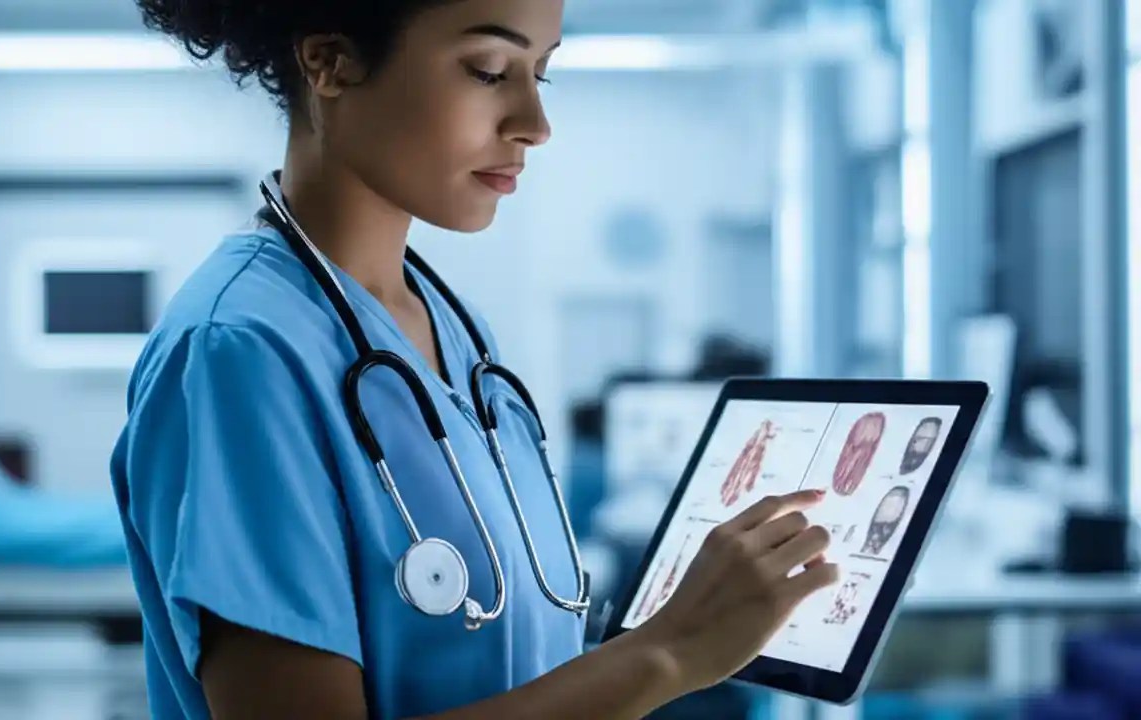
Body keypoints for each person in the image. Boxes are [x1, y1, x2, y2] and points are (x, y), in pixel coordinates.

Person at [110, 1, 840, 718]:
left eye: (541, 75)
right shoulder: (238, 351)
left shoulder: (456, 334)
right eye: (490, 71)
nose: (535, 124)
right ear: (329, 61)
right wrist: (667, 653)